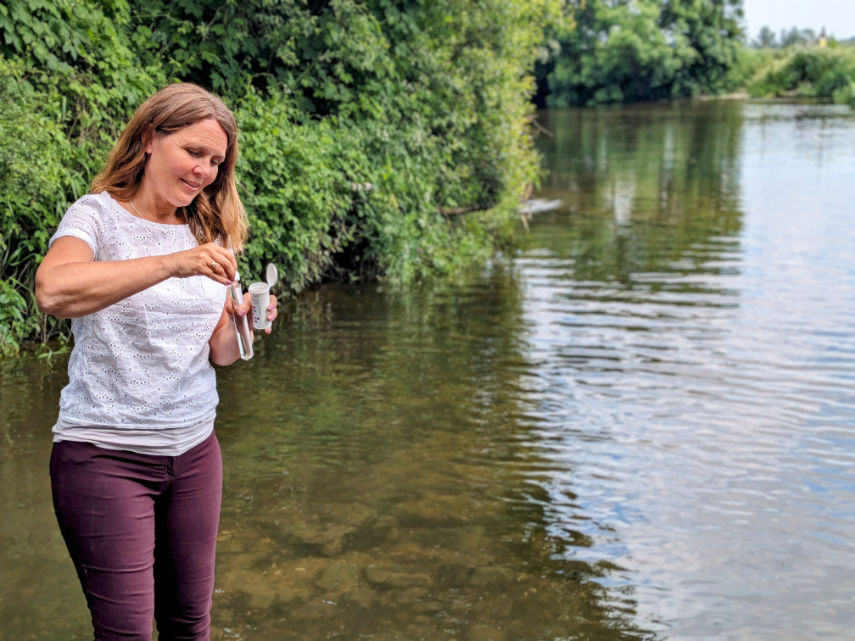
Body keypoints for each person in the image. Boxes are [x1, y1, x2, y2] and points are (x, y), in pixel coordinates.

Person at [34, 83, 276, 641]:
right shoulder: (95, 217)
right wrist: (175, 263)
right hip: (103, 457)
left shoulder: (210, 231)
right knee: (127, 635)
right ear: (149, 138)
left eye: (216, 161)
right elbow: (53, 291)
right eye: (194, 152)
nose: (204, 172)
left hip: (194, 455)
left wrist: (243, 322)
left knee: (190, 626)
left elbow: (218, 351)